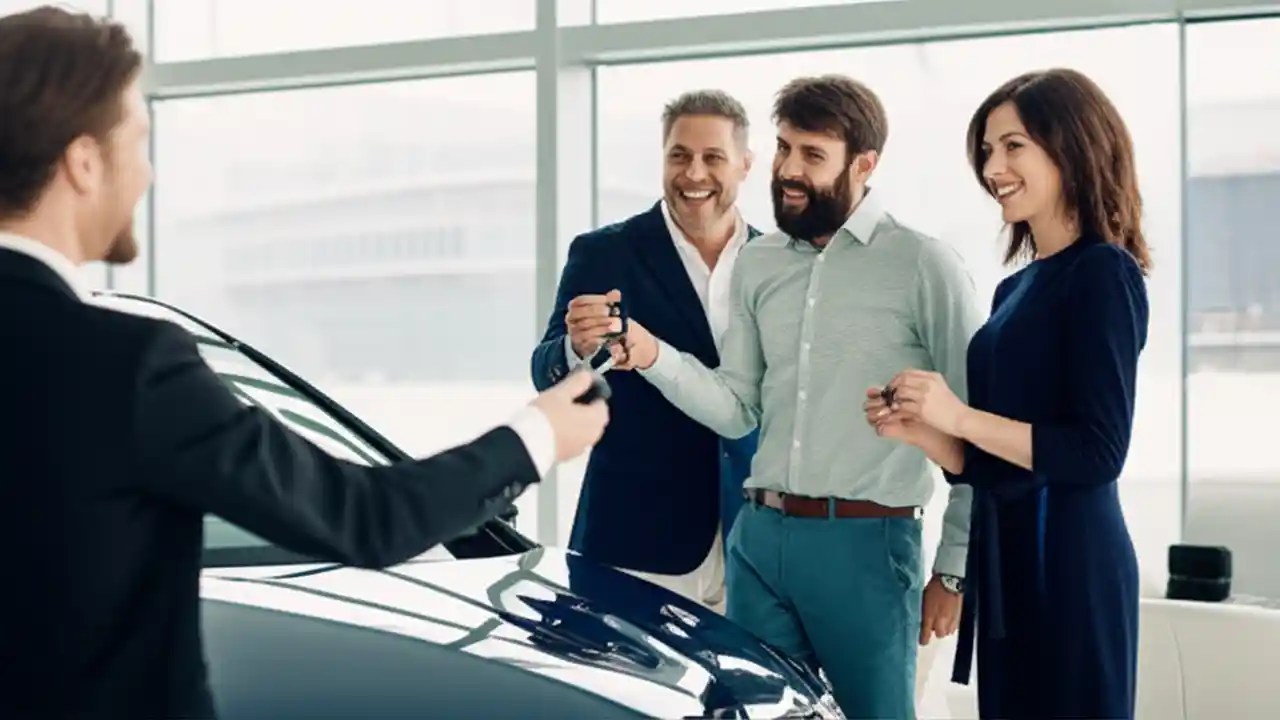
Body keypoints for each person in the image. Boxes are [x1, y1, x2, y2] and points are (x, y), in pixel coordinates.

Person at [0, 8, 608, 719]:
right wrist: (539, 434)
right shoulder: (124, 363)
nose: (149, 173)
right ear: (83, 161)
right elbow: (363, 517)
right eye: (138, 141)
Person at [608, 74, 983, 718]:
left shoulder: (924, 265)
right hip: (759, 540)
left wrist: (953, 569)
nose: (788, 170)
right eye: (784, 149)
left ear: (864, 164)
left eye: (813, 156)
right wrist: (653, 356)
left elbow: (973, 428)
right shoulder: (761, 263)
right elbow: (737, 407)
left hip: (867, 546)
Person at [866, 67, 1151, 719]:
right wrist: (925, 432)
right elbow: (994, 465)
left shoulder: (1104, 274)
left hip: (1074, 565)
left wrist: (959, 415)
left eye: (1012, 145)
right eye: (987, 150)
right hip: (1013, 564)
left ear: (1072, 144)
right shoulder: (1013, 291)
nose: (993, 166)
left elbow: (1097, 453)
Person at [530, 90, 760, 612]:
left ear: (745, 164)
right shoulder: (606, 252)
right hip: (635, 535)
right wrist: (574, 347)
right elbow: (544, 373)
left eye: (713, 157)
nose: (693, 173)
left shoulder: (776, 262)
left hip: (753, 542)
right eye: (679, 155)